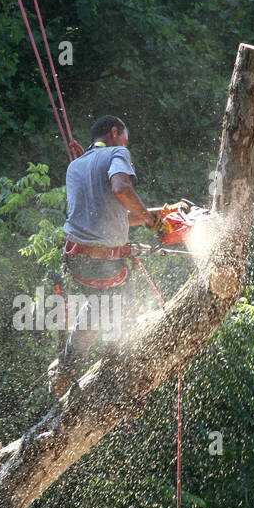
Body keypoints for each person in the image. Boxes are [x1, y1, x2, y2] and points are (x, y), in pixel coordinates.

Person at [47, 115, 160, 397]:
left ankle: (68, 364)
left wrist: (149, 217)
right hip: (106, 263)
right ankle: (122, 374)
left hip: (77, 262)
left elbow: (108, 216)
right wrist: (148, 218)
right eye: (125, 137)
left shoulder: (76, 166)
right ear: (114, 133)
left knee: (98, 304)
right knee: (124, 313)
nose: (125, 144)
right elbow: (121, 188)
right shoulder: (118, 152)